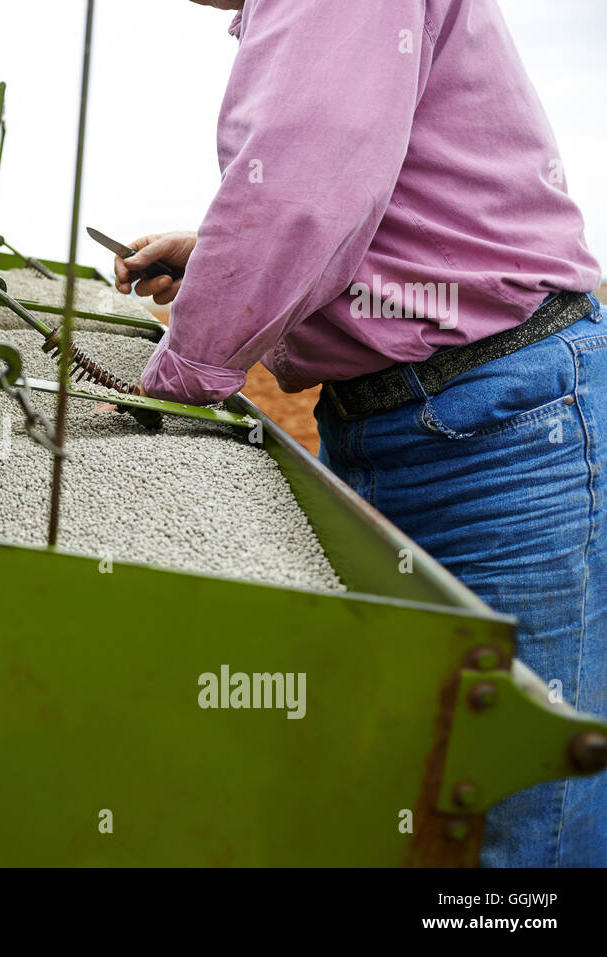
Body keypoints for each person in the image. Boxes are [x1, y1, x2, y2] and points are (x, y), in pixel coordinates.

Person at [114, 0, 604, 867]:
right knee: (411, 797)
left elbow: (300, 199)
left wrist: (170, 385)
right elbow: (348, 194)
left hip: (500, 430)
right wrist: (214, 252)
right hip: (412, 417)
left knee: (511, 814)